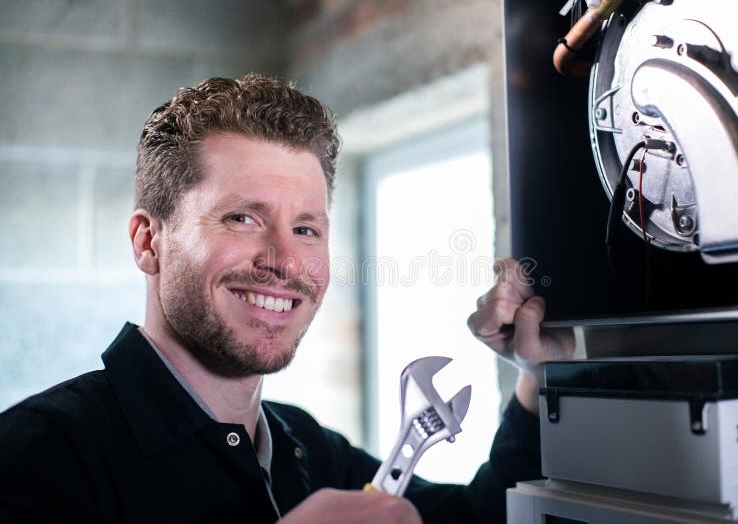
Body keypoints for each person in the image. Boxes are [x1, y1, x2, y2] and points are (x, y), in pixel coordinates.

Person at [0, 73, 574, 523]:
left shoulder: (306, 450)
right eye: (242, 218)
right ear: (149, 242)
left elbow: (482, 520)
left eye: (306, 229)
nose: (283, 261)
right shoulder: (36, 457)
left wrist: (534, 377)